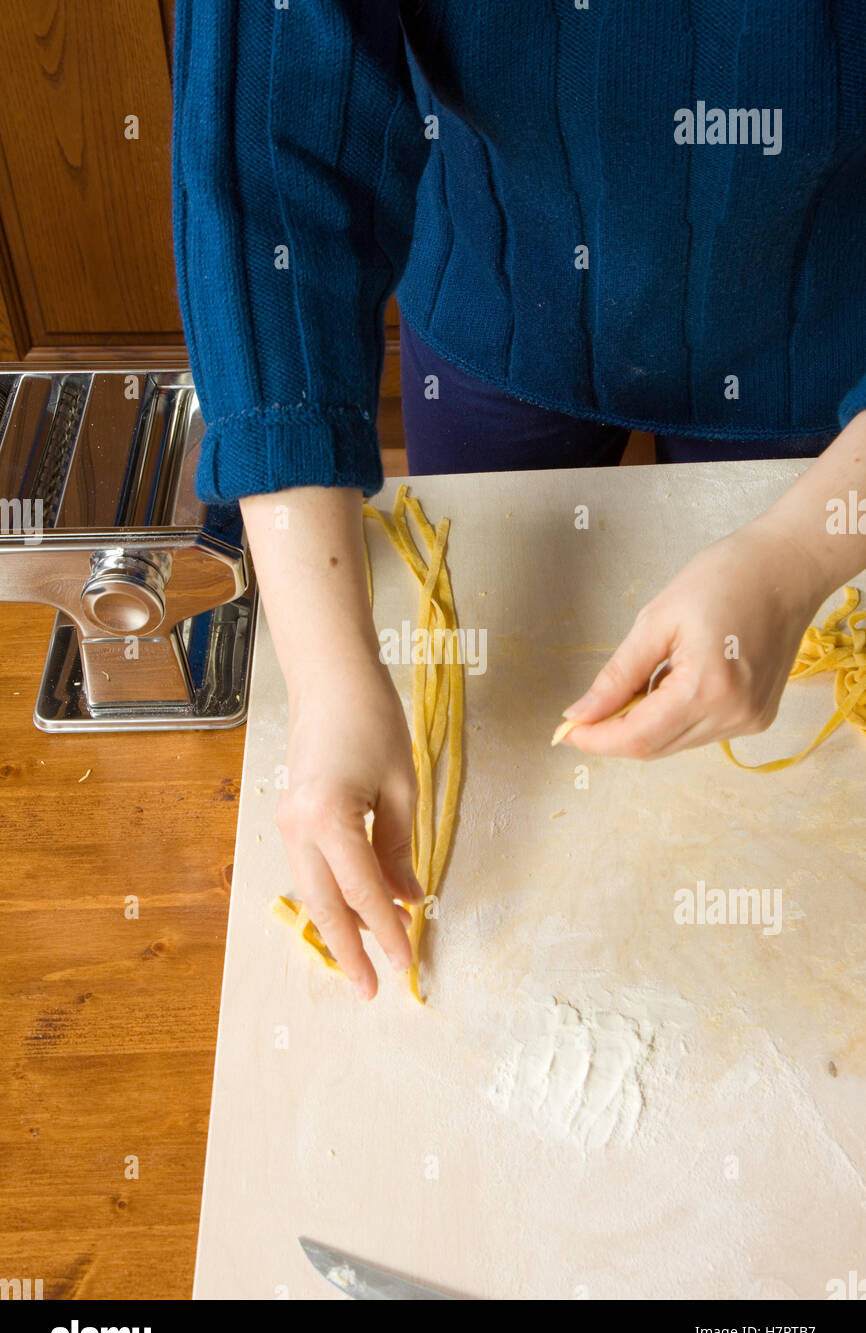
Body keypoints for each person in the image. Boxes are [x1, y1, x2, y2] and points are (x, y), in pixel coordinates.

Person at [172, 1, 866, 999]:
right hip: (497, 290)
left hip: (828, 336)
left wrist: (799, 555)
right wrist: (327, 674)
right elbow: (261, 151)